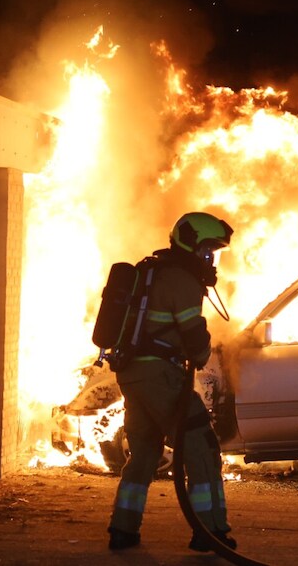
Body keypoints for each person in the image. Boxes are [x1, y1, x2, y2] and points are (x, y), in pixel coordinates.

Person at [107, 212, 237, 552]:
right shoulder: (182, 280)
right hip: (159, 376)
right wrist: (202, 352)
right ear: (193, 246)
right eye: (209, 251)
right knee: (201, 447)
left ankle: (123, 530)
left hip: (134, 373)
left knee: (145, 452)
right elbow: (194, 336)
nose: (212, 260)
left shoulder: (155, 271)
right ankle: (210, 532)